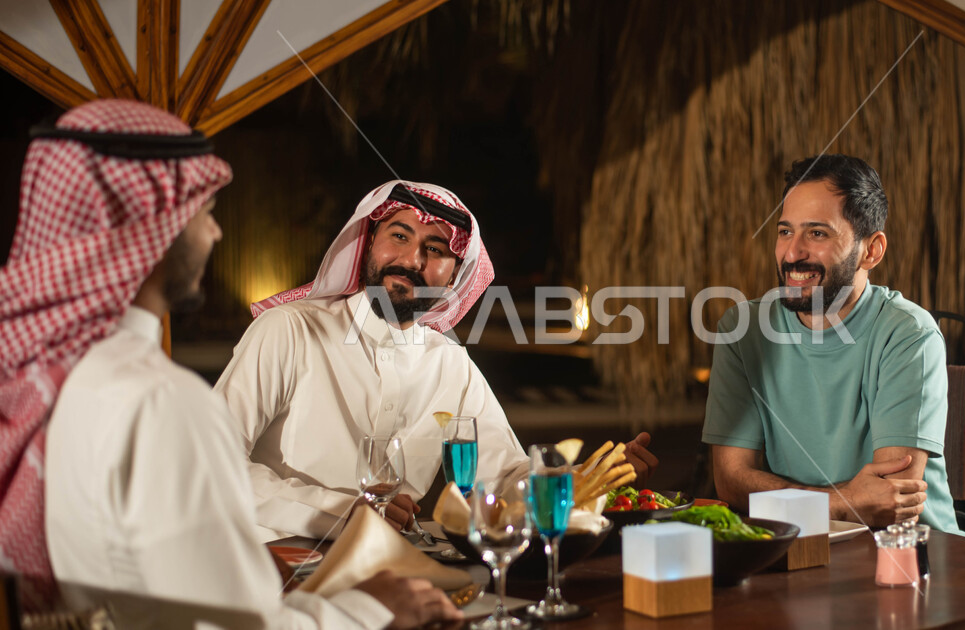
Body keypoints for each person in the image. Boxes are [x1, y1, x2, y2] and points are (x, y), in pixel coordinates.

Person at [1, 99, 461, 627]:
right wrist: (372, 609)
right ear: (155, 228)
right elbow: (243, 624)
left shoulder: (43, 378)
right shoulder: (160, 401)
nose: (216, 233)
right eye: (206, 213)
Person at [216, 180, 658, 542]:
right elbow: (210, 462)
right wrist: (338, 512)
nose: (411, 260)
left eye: (435, 250)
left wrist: (585, 479)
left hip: (389, 573)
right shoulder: (289, 331)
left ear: (454, 278)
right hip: (269, 565)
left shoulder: (451, 366)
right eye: (399, 236)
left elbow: (504, 475)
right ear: (368, 244)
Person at [702, 154, 964, 535]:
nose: (792, 253)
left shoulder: (909, 335)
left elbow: (888, 504)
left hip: (916, 552)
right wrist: (844, 501)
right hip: (801, 549)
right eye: (785, 231)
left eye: (817, 234)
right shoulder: (742, 331)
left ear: (871, 251)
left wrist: (787, 499)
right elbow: (731, 482)